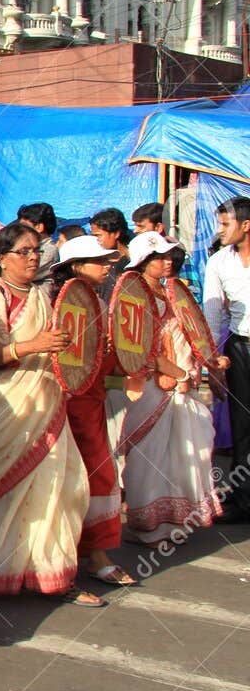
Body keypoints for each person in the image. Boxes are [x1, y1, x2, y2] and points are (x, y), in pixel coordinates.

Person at [0, 222, 96, 604]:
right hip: (6, 408)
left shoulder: (43, 295)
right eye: (23, 252)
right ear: (1, 257)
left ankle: (48, 571)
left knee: (57, 488)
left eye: (35, 251)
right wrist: (31, 346)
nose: (32, 258)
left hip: (47, 402)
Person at [115, 232, 224, 545]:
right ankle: (146, 522)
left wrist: (202, 365)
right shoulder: (132, 298)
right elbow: (139, 347)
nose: (166, 262)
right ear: (142, 262)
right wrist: (176, 373)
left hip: (180, 386)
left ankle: (173, 517)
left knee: (182, 451)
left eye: (167, 256)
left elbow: (192, 333)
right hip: (150, 385)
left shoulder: (170, 295)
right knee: (149, 453)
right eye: (157, 257)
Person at [52, 237, 133, 584]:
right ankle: (67, 557)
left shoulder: (100, 305)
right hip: (59, 405)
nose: (106, 267)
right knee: (64, 482)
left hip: (91, 403)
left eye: (107, 261)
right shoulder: (51, 305)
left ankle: (95, 553)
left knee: (98, 476)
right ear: (75, 267)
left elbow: (102, 360)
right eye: (97, 262)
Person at [203, 197, 250, 521]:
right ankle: (243, 499)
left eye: (225, 224)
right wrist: (213, 363)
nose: (219, 231)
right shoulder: (219, 261)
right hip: (240, 348)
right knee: (243, 425)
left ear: (245, 226)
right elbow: (212, 314)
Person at [16, 202, 59, 287]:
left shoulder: (49, 250)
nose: (20, 231)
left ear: (39, 227)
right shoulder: (30, 248)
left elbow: (23, 276)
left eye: (24, 226)